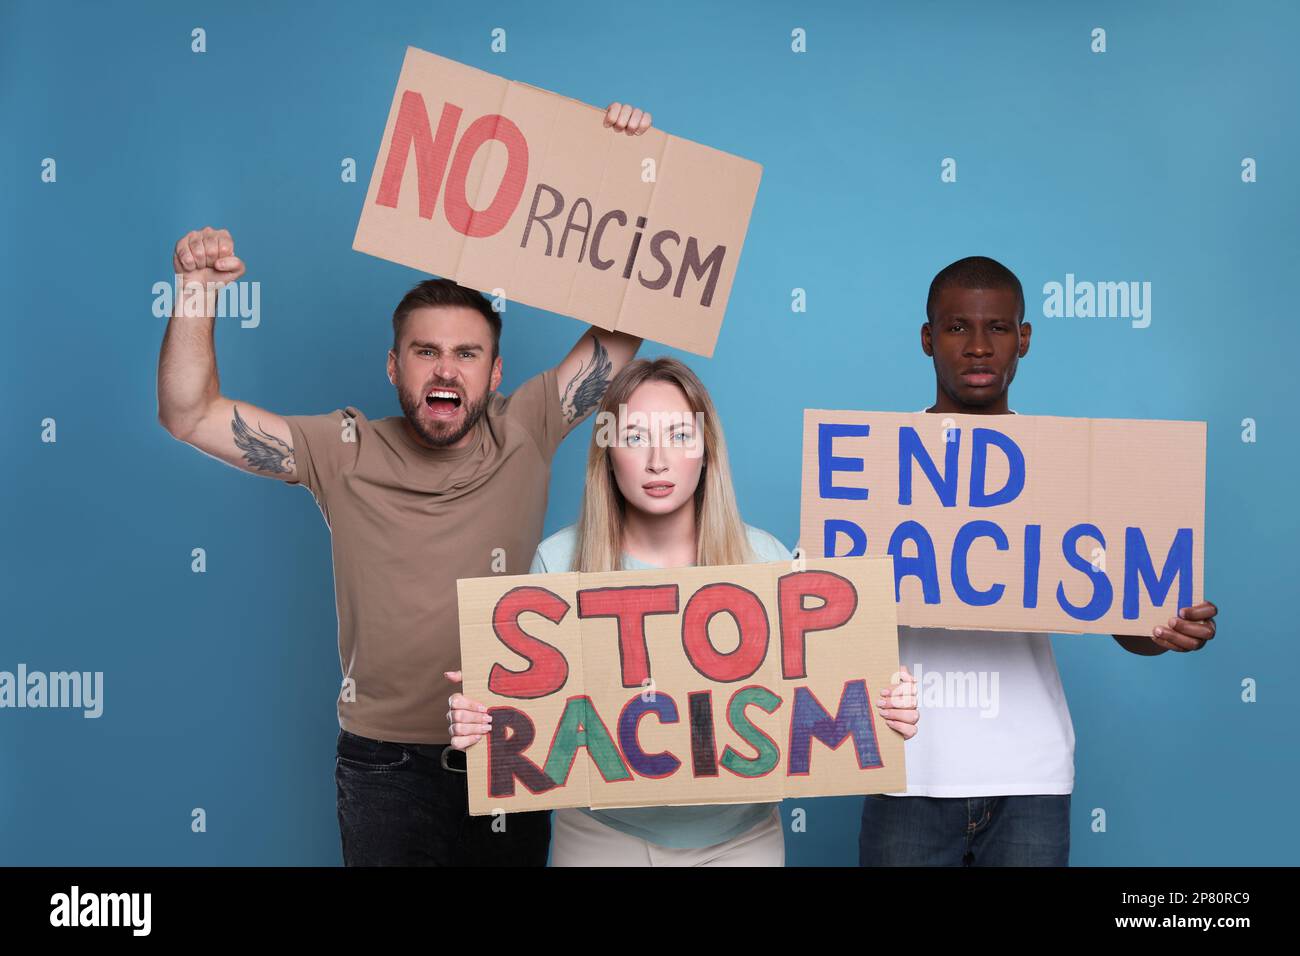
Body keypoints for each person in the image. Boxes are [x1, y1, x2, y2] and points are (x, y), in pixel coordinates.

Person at [156, 103, 657, 866]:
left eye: (466, 354)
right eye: (425, 352)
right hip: (384, 767)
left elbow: (629, 320)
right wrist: (196, 289)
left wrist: (634, 169)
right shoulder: (342, 448)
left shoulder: (528, 426)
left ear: (496, 372)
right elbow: (188, 412)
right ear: (395, 366)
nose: (445, 368)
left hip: (512, 744)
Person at [446, 358, 920, 866]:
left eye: (678, 435)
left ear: (707, 449)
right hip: (601, 836)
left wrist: (885, 704)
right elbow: (531, 723)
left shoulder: (767, 560)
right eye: (634, 437)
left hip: (741, 840)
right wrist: (483, 719)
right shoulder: (557, 561)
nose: (658, 461)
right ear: (607, 453)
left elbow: (825, 695)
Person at [856, 255, 1220, 867]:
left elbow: (1122, 616)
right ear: (927, 338)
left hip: (1030, 775)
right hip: (906, 769)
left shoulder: (1067, 466)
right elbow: (828, 611)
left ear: (1023, 338)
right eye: (956, 327)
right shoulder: (873, 462)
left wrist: (1167, 626)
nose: (978, 346)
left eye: (997, 328)